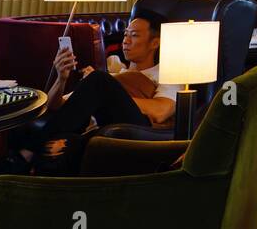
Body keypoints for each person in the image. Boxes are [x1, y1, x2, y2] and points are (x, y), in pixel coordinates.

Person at [34, 14, 178, 172]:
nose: (126, 41)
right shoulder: (112, 69)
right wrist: (61, 78)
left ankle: (28, 151)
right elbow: (56, 105)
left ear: (155, 43)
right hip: (97, 131)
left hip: (138, 129)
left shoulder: (166, 73)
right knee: (57, 149)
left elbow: (160, 111)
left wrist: (110, 95)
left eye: (134, 35)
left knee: (98, 80)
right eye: (125, 34)